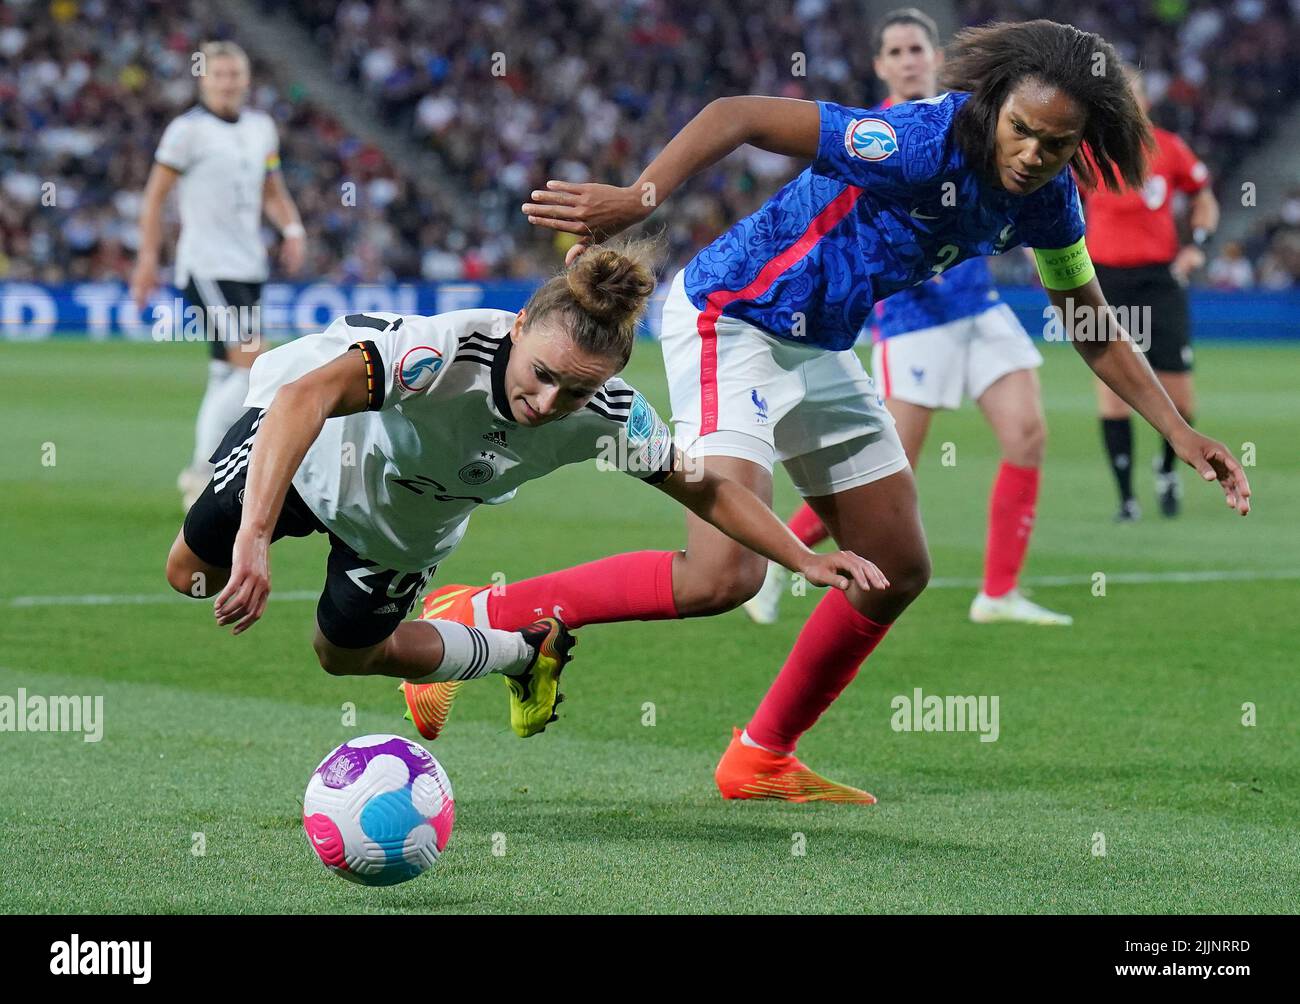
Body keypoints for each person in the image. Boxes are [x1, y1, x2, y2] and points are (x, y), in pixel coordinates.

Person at [412, 19, 1251, 803]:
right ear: (993, 107)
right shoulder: (917, 140)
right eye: (1021, 129)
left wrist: (1176, 429)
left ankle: (761, 754)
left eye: (1057, 142)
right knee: (725, 577)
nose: (1034, 153)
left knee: (898, 566)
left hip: (820, 347)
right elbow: (739, 114)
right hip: (730, 316)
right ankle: (476, 614)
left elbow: (1090, 324)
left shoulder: (1050, 201)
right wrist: (639, 198)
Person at [163, 242, 886, 739]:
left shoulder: (611, 415)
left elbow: (707, 492)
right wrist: (254, 535)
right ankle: (252, 535)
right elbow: (300, 402)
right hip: (309, 453)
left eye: (575, 390)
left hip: (402, 525)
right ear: (517, 328)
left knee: (343, 655)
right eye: (541, 374)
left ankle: (521, 651)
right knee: (190, 576)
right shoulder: (442, 353)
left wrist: (803, 559)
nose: (547, 402)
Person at [744, 8, 1071, 628]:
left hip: (981, 309)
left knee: (1028, 434)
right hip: (912, 321)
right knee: (886, 474)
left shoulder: (978, 120)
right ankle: (774, 563)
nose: (908, 59)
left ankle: (997, 593)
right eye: (894, 52)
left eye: (916, 48)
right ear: (879, 67)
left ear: (935, 54)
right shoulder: (882, 132)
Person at [130, 41, 307, 512]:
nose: (228, 82)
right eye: (219, 75)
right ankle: (202, 475)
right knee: (252, 360)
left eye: (235, 74)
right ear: (203, 79)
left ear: (246, 79)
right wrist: (148, 258)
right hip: (206, 266)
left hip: (249, 266)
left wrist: (291, 227)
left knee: (223, 373)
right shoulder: (186, 132)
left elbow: (271, 189)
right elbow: (154, 198)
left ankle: (200, 472)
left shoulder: (260, 128)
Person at [1085, 69, 1220, 521]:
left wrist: (1196, 248)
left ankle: (1167, 468)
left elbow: (1204, 197)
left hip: (1159, 282)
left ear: (1144, 101)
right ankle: (1125, 497)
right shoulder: (1086, 150)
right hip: (1101, 284)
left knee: (1180, 397)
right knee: (1112, 394)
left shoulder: (1168, 148)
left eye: (1133, 93)